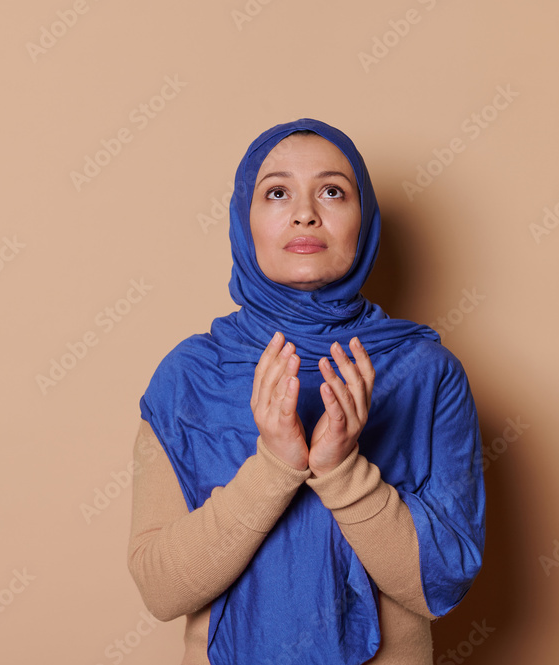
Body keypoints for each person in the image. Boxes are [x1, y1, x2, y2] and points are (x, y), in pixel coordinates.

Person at [128, 118, 485, 664]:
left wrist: (343, 472)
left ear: (363, 221)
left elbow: (442, 580)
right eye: (276, 192)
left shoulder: (427, 373)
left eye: (332, 191)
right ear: (244, 222)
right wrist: (273, 467)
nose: (305, 213)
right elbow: (161, 589)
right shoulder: (187, 376)